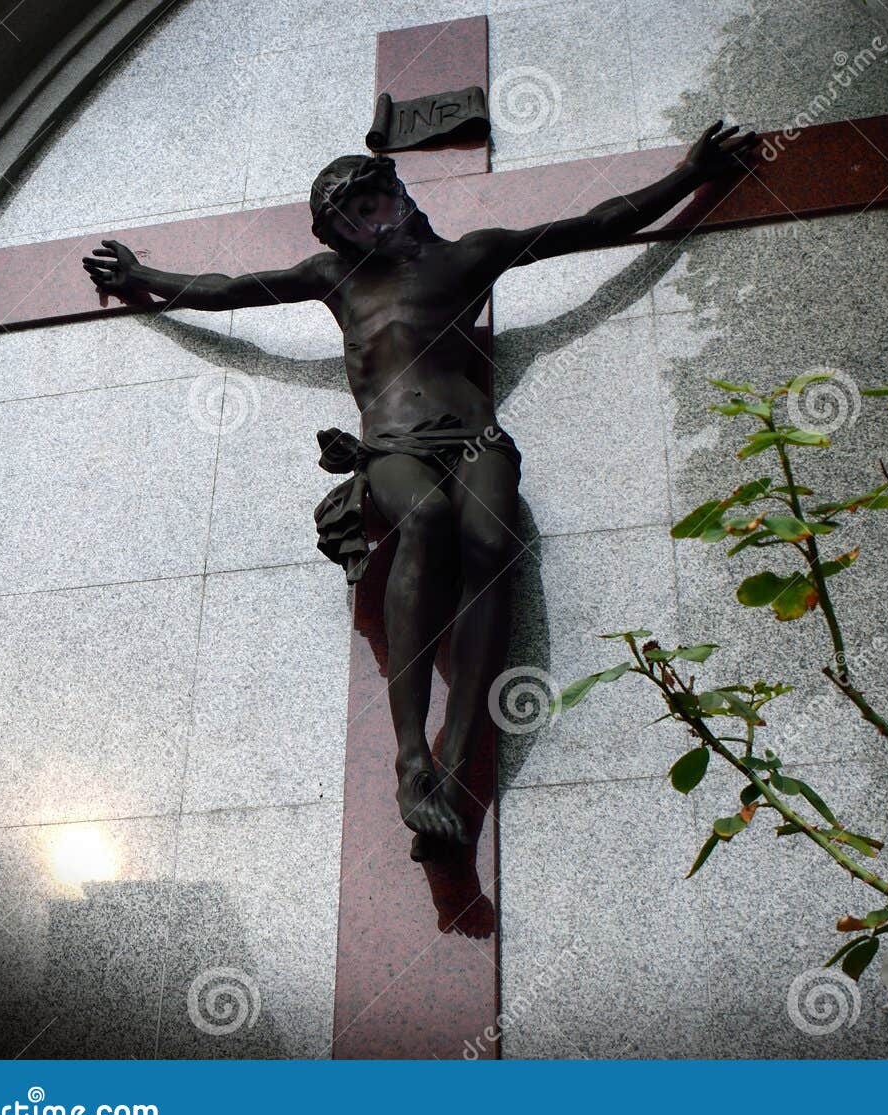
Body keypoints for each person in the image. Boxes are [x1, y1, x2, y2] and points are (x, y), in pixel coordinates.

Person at [84, 121, 760, 846]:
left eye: (372, 201)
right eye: (349, 219)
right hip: (393, 443)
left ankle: (458, 758)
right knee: (427, 522)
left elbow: (597, 225)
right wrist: (142, 280)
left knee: (489, 545)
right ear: (337, 235)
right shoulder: (334, 278)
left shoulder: (473, 255)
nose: (367, 222)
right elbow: (228, 292)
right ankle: (411, 760)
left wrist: (692, 175)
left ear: (396, 193)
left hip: (476, 436)